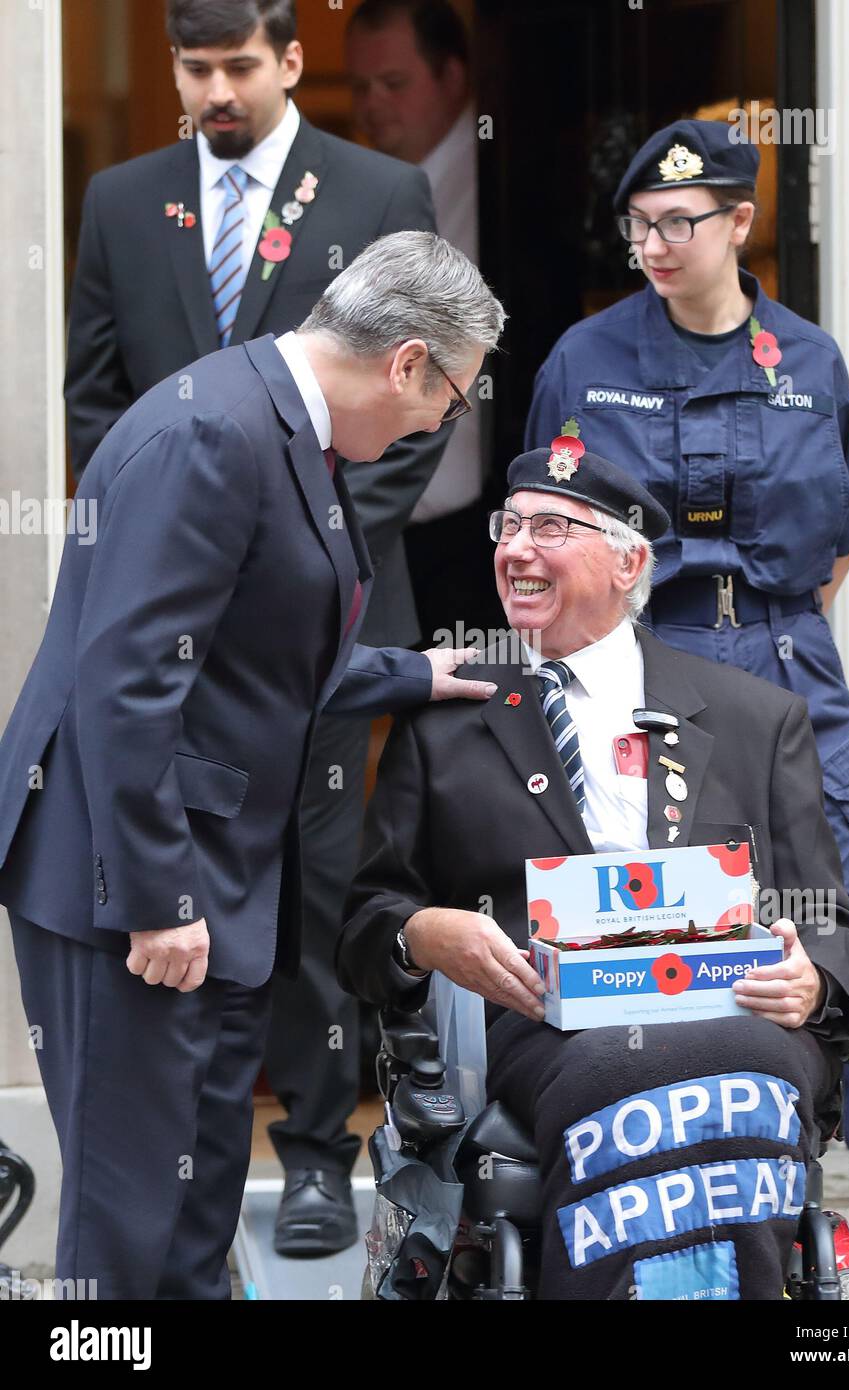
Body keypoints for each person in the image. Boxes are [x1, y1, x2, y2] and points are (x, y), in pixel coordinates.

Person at [0, 231, 505, 1300]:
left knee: (194, 1208)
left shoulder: (273, 421)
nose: (437, 425)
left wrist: (411, 676)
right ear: (408, 362)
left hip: (208, 884)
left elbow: (251, 652)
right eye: (450, 400)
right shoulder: (215, 435)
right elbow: (127, 680)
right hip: (132, 889)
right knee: (127, 1226)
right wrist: (157, 898)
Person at [524, 118, 849, 1296]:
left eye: (681, 223)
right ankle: (679, 1225)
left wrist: (760, 640)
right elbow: (548, 534)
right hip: (647, 662)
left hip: (784, 658)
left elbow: (838, 552)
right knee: (662, 937)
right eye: (641, 227)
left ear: (740, 223)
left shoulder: (809, 361)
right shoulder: (584, 358)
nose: (658, 245)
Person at [64, 0, 454, 1258]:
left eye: (242, 64)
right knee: (179, 908)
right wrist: (180, 544)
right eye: (196, 66)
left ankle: (318, 1148)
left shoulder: (381, 186)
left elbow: (396, 426)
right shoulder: (126, 203)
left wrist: (300, 547)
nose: (217, 88)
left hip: (324, 610)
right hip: (177, 613)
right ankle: (154, 1244)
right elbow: (99, 407)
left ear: (293, 61)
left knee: (313, 882)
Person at [337, 441, 849, 1300]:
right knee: (624, 1069)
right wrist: (423, 932)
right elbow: (366, 927)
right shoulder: (446, 718)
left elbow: (839, 930)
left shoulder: (754, 717)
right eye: (507, 526)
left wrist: (812, 980)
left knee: (733, 1061)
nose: (516, 549)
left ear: (628, 560)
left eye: (550, 528)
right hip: (542, 1026)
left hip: (737, 1009)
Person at [347, 0, 500, 645]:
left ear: (452, 78)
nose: (374, 103)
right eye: (361, 86)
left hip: (474, 520)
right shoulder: (367, 187)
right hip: (382, 517)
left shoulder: (498, 175)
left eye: (395, 83)